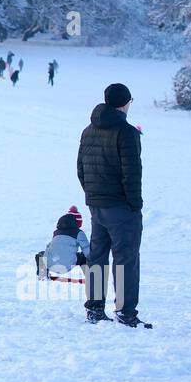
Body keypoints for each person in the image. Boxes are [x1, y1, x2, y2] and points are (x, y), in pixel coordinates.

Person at [77, 82, 148, 327]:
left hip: (97, 205)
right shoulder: (127, 132)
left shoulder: (88, 130)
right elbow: (132, 174)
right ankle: (126, 313)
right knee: (125, 259)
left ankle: (95, 309)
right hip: (121, 208)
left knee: (97, 257)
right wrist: (134, 204)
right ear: (125, 103)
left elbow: (80, 169)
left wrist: (93, 196)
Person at [36, 206, 88, 279]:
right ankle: (90, 276)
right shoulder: (79, 233)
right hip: (67, 265)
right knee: (82, 257)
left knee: (40, 255)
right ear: (78, 223)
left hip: (52, 264)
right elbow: (87, 251)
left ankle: (42, 274)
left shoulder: (56, 232)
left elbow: (51, 248)